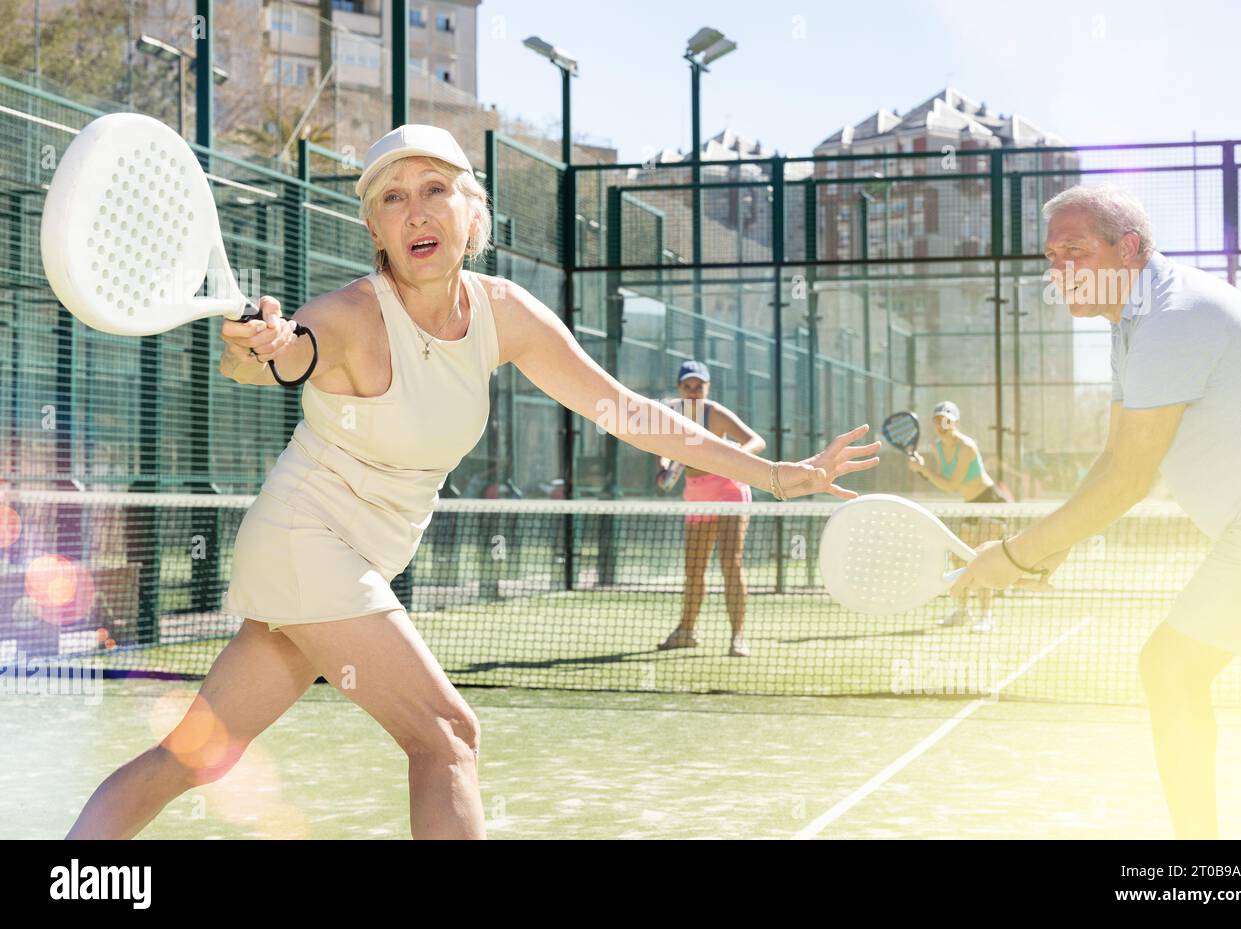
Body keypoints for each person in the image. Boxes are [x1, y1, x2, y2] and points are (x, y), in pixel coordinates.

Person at [65, 124, 881, 840]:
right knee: (448, 734)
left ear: (471, 212)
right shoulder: (350, 314)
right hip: (307, 544)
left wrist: (774, 473)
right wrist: (260, 346)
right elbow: (276, 355)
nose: (416, 210)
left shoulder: (505, 312)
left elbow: (628, 410)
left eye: (434, 190)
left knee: (196, 754)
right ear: (376, 230)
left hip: (347, 564)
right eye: (391, 198)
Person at [953, 184, 1241, 839]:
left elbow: (1129, 477)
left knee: (1168, 667)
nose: (1060, 272)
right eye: (1052, 257)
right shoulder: (1134, 324)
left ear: (1129, 248)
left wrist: (1016, 554)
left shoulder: (1172, 318)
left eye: (1076, 252)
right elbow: (1114, 453)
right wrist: (1049, 547)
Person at [655, 360, 766, 658]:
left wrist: (735, 456)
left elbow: (756, 440)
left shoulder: (714, 413)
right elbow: (664, 451)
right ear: (679, 388)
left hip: (729, 490)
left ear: (707, 388)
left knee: (730, 563)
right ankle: (686, 631)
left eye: (699, 387)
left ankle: (738, 637)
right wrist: (663, 468)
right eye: (687, 386)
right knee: (694, 569)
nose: (693, 392)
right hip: (697, 493)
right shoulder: (670, 414)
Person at [908, 400, 1008, 631]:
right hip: (970, 505)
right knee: (959, 559)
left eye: (947, 420)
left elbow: (952, 484)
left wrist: (923, 470)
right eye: (937, 420)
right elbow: (946, 481)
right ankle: (963, 612)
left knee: (982, 560)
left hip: (989, 503)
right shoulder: (938, 447)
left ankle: (986, 616)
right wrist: (924, 470)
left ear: (955, 422)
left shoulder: (967, 446)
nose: (942, 425)